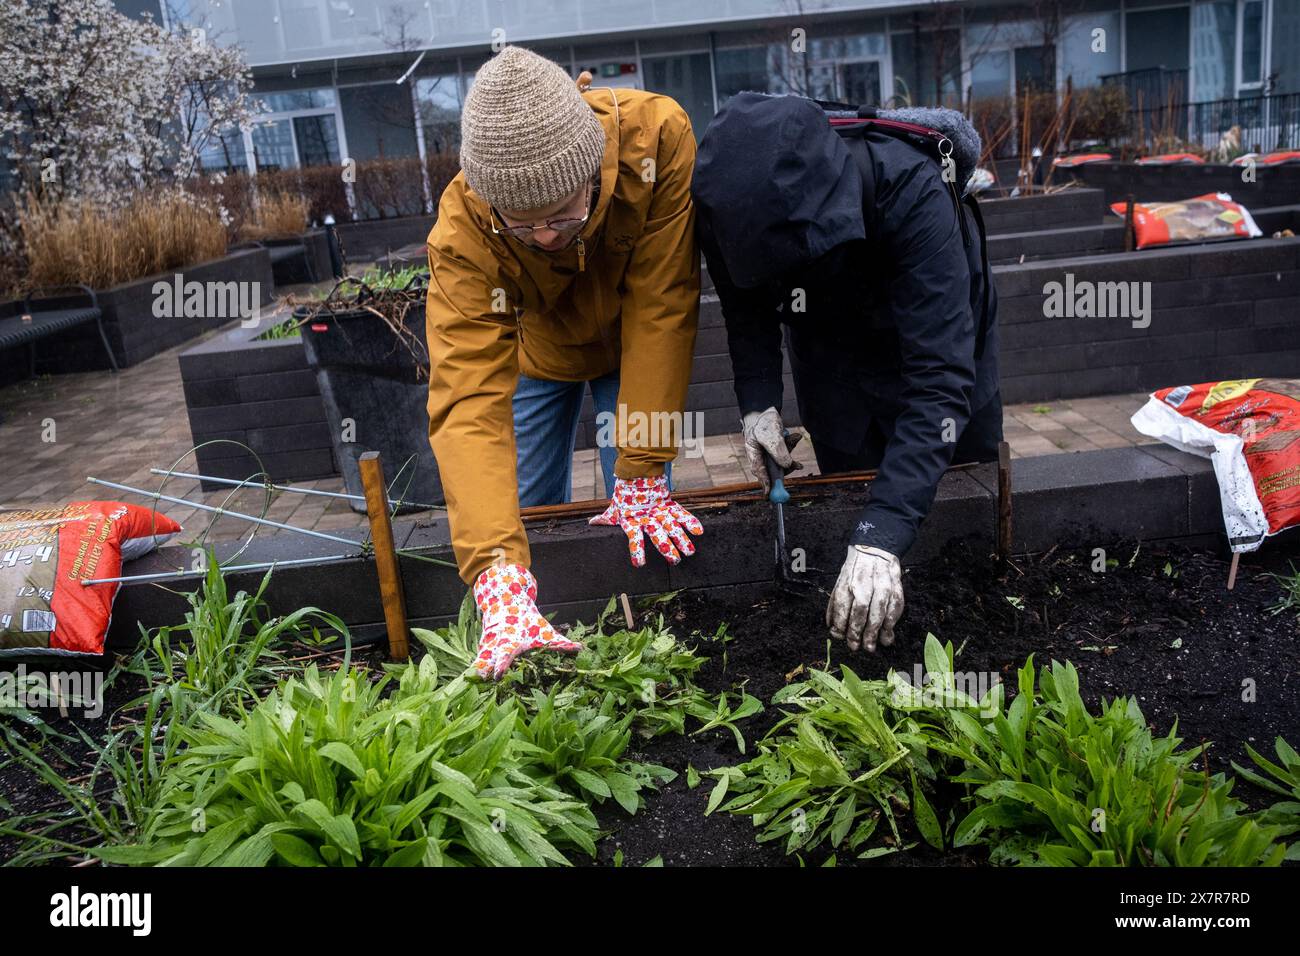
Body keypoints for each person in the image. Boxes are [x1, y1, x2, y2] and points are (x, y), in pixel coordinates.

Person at [425, 46, 703, 679]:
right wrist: (496, 571)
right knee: (524, 517)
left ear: (592, 167)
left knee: (641, 509)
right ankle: (531, 643)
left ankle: (652, 644)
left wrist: (642, 466)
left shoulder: (655, 140)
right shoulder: (463, 229)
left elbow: (663, 305)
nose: (547, 236)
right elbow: (466, 397)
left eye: (563, 215)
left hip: (633, 351)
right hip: (539, 354)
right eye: (524, 228)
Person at [692, 92, 1002, 654]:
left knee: (958, 496)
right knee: (849, 476)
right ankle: (866, 612)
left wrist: (882, 535)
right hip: (830, 349)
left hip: (939, 343)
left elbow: (940, 379)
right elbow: (746, 309)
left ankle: (965, 623)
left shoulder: (909, 186)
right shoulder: (724, 202)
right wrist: (758, 404)